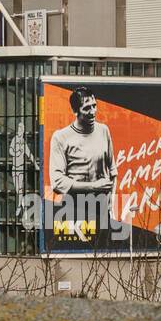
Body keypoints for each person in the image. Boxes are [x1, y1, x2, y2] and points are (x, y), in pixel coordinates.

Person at [48, 88, 116, 240]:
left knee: (106, 255)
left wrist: (112, 200)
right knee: (78, 254)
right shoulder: (61, 137)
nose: (92, 111)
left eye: (94, 106)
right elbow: (57, 182)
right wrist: (93, 186)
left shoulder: (104, 130)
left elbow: (113, 170)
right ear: (75, 110)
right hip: (75, 207)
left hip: (101, 207)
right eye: (86, 108)